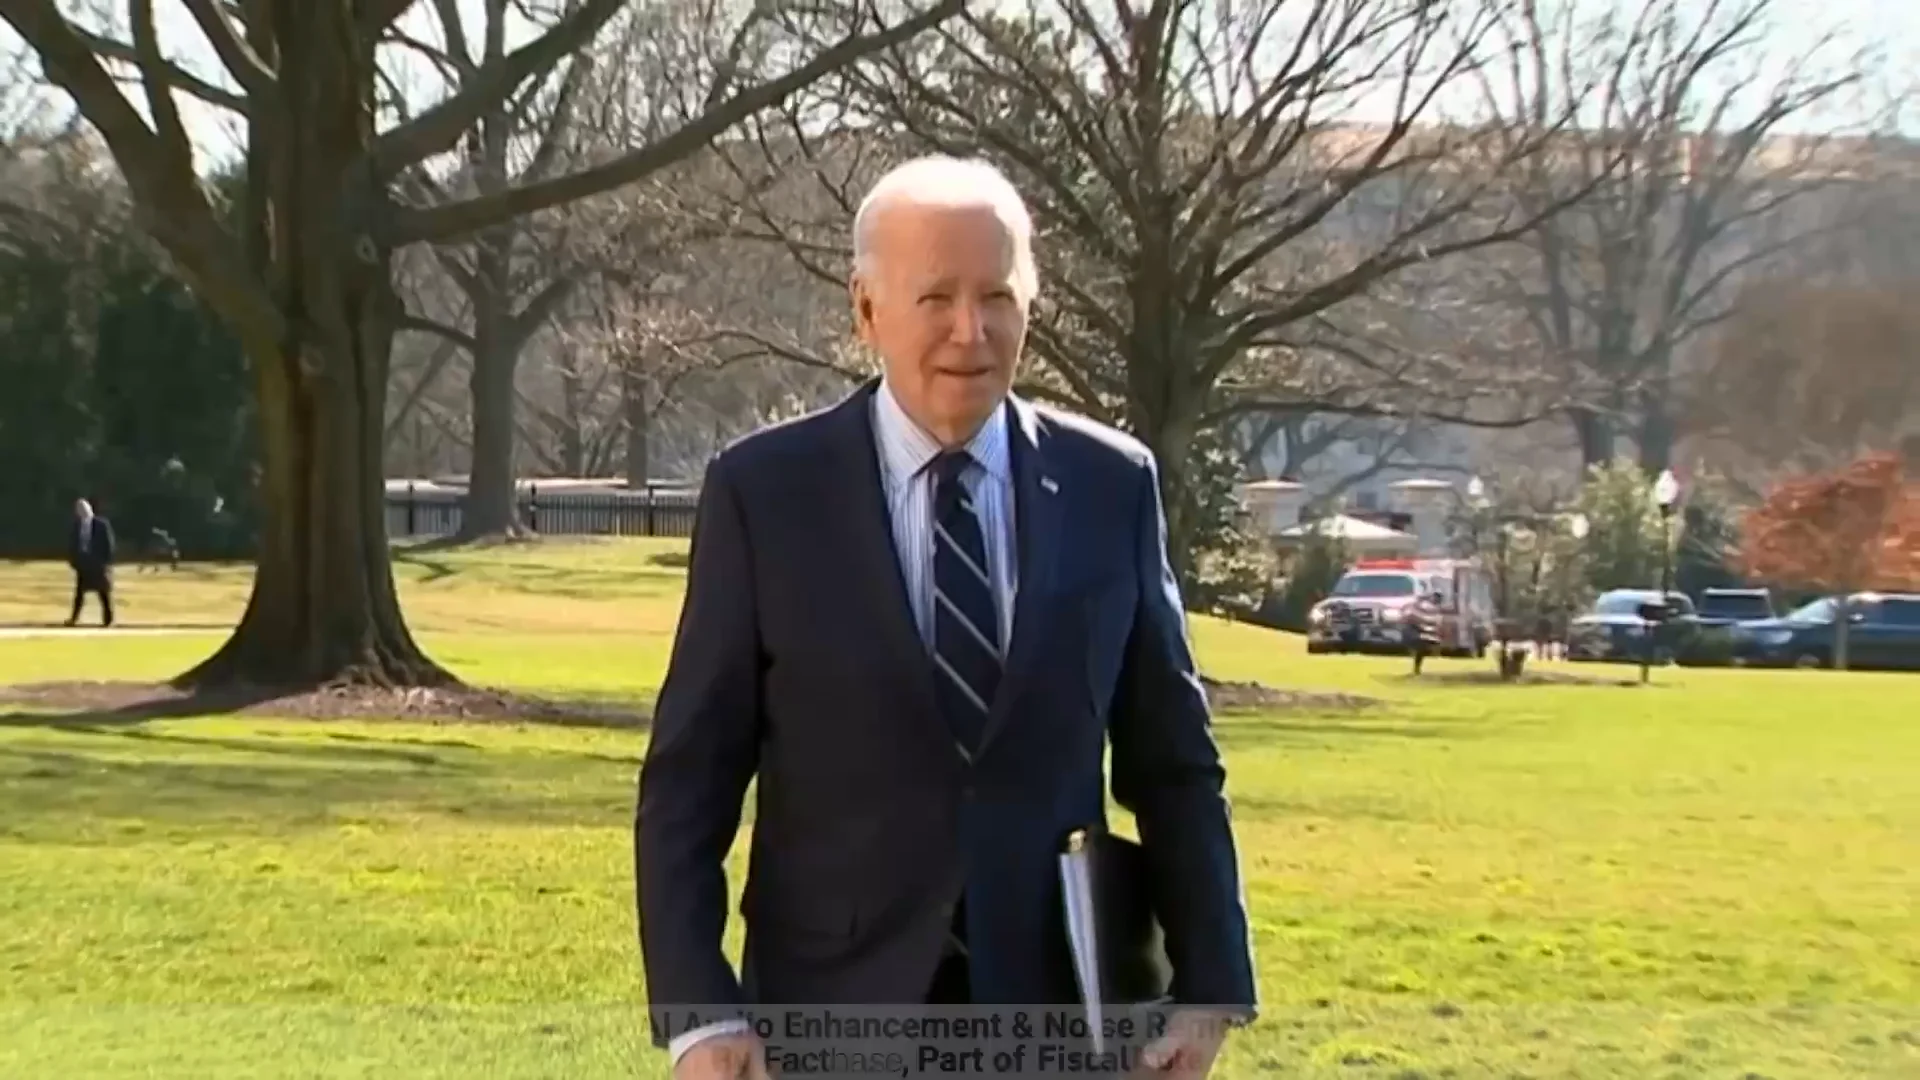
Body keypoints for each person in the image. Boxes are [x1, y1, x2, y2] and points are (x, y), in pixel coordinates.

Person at [634, 155, 1258, 1080]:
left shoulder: (1110, 486)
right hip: (827, 1021)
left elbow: (1174, 763)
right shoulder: (765, 494)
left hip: (1056, 1023)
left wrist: (1208, 984)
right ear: (866, 311)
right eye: (936, 298)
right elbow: (692, 777)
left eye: (997, 296)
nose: (971, 331)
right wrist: (699, 1015)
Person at [67, 498, 116, 627]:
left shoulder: (101, 524)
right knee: (79, 594)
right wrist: (74, 562)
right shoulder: (77, 526)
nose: (82, 511)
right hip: (84, 565)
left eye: (84, 508)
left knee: (103, 594)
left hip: (98, 565)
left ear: (90, 509)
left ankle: (108, 620)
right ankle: (74, 619)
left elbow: (109, 544)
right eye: (79, 509)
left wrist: (105, 563)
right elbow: (73, 544)